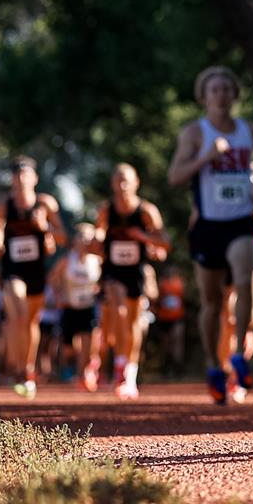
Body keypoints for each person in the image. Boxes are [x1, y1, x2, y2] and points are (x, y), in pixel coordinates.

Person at [167, 64, 253, 404]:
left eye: (227, 88)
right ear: (204, 97)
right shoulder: (195, 133)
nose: (222, 94)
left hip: (241, 220)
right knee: (211, 302)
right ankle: (213, 365)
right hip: (208, 225)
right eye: (215, 89)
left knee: (244, 278)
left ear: (235, 94)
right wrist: (205, 157)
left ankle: (239, 352)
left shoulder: (249, 131)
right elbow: (175, 175)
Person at [0, 155, 68, 398]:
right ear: (12, 180)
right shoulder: (6, 206)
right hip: (13, 270)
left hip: (36, 271)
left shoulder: (45, 204)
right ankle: (18, 369)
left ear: (35, 178)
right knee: (19, 313)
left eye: (25, 173)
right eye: (16, 174)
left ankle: (27, 368)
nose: (21, 178)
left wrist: (44, 227)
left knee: (31, 322)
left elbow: (63, 238)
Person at [97, 163, 170, 398]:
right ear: (112, 184)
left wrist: (146, 239)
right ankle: (119, 365)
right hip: (113, 270)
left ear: (136, 182)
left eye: (126, 180)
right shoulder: (107, 210)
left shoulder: (146, 211)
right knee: (118, 311)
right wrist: (95, 243)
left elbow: (164, 242)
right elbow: (98, 235)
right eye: (118, 180)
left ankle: (130, 373)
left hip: (136, 272)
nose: (122, 184)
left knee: (133, 322)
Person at [50, 224, 106, 391]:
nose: (85, 240)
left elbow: (104, 281)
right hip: (70, 307)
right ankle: (75, 367)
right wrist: (59, 296)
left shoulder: (97, 261)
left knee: (89, 343)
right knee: (69, 348)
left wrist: (100, 292)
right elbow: (54, 279)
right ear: (75, 240)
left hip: (89, 307)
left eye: (89, 237)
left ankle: (83, 375)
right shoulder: (66, 260)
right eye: (82, 236)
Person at [153, 267, 188, 373]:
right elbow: (157, 298)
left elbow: (184, 298)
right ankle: (166, 366)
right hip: (164, 318)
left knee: (177, 340)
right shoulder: (161, 284)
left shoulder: (180, 283)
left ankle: (178, 366)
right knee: (165, 343)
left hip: (178, 317)